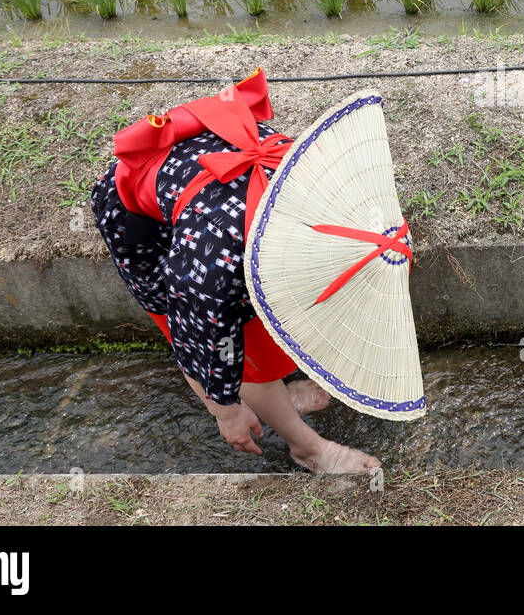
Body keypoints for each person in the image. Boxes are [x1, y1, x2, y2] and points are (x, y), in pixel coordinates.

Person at [90, 70, 380, 473]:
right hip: (136, 218)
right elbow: (198, 334)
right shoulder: (211, 269)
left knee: (257, 324)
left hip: (205, 190)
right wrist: (226, 411)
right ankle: (309, 449)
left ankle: (279, 396)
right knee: (234, 348)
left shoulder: (320, 184)